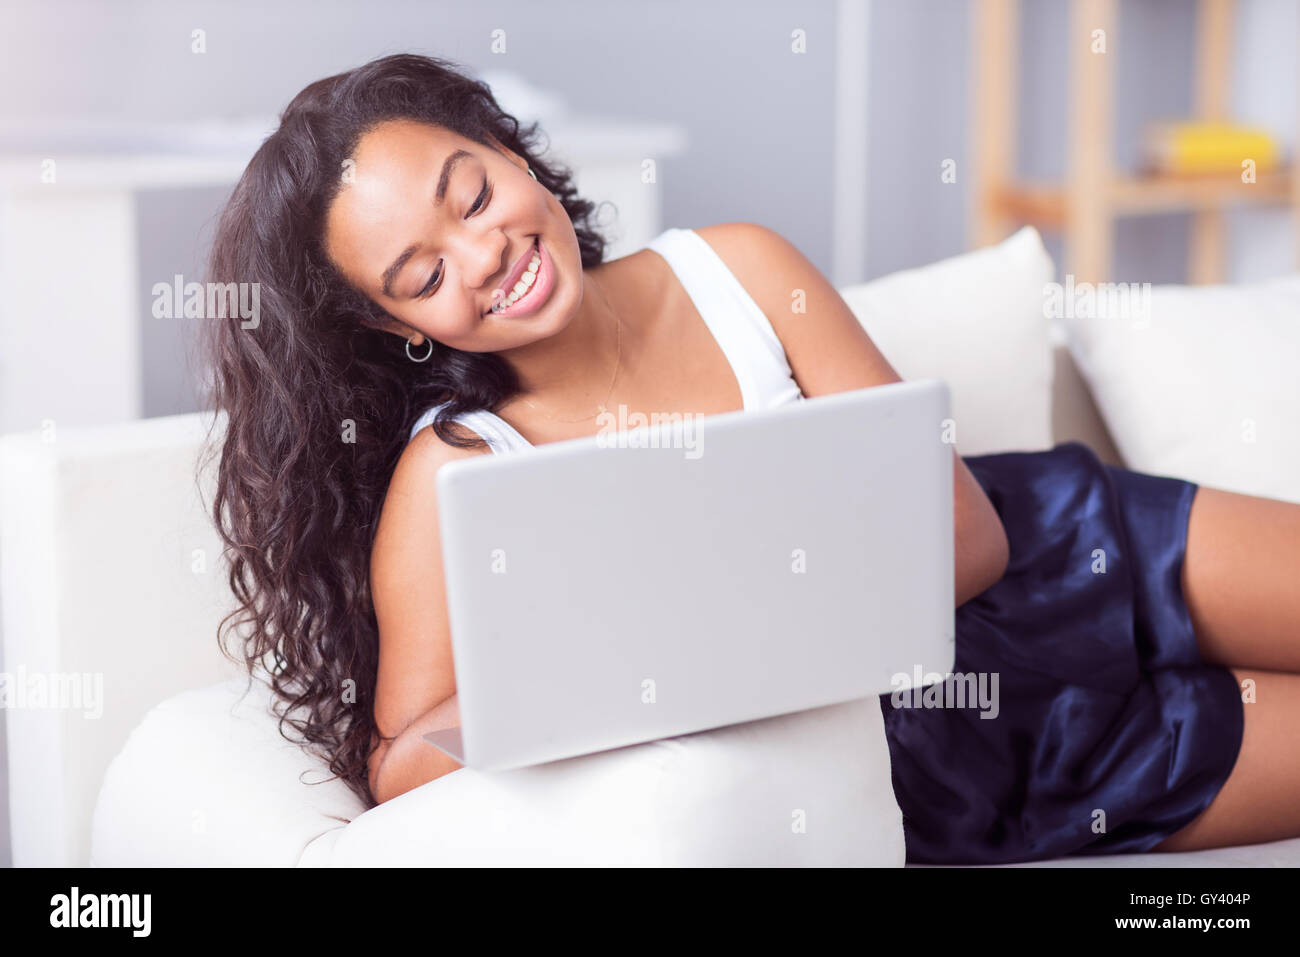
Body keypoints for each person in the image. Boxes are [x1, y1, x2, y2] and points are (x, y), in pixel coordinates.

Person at [201, 53, 1300, 865]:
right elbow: (399, 762)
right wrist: (616, 678)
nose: (484, 255)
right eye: (422, 275)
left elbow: (969, 536)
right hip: (951, 749)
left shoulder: (737, 268)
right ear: (404, 329)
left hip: (1065, 549)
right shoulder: (456, 472)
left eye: (474, 194)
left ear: (512, 154)